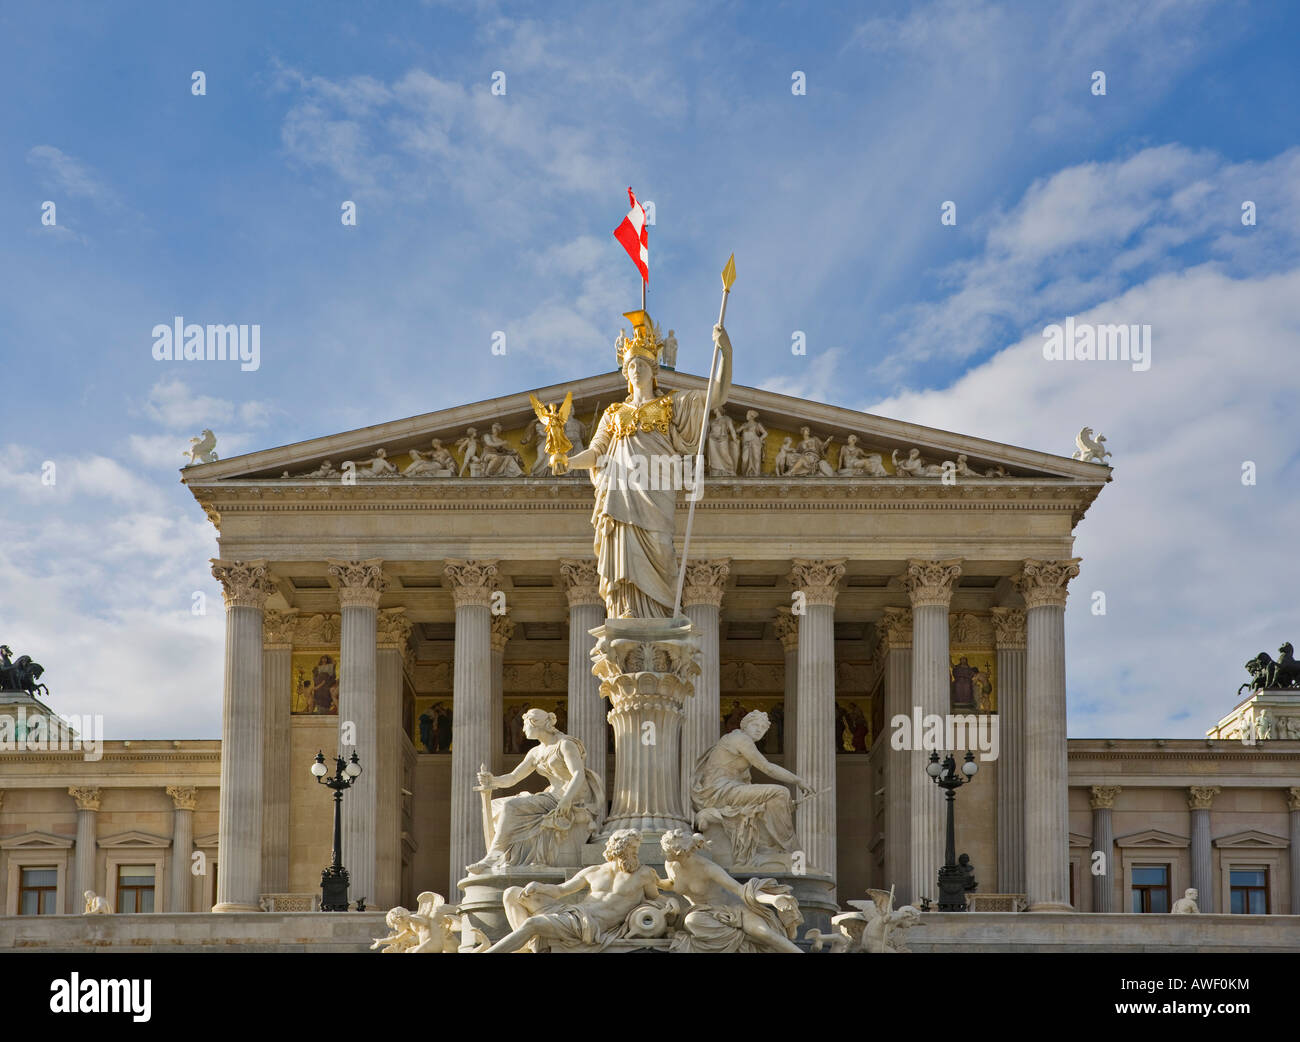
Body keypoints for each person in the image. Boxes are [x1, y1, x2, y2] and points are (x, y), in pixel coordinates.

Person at [551, 322, 732, 618]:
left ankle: (659, 619)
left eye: (642, 364)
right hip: (622, 493)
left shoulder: (671, 404)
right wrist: (568, 462)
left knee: (661, 548)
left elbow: (717, 396)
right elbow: (596, 453)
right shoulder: (614, 413)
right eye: (631, 365)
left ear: (653, 370)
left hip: (657, 488)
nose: (636, 369)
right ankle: (627, 613)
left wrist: (725, 350)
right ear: (625, 373)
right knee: (624, 554)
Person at [468, 708, 603, 873]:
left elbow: (578, 774)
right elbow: (513, 777)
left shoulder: (565, 744)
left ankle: (494, 856)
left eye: (525, 725)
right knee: (496, 805)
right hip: (552, 795)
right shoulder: (535, 752)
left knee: (511, 806)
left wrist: (566, 799)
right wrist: (492, 780)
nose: (523, 729)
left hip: (570, 796)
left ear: (536, 724)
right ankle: (506, 855)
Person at [486, 829, 661, 953]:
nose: (637, 852)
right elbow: (560, 891)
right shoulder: (594, 871)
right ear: (620, 848)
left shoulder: (644, 874)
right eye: (633, 848)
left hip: (589, 925)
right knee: (511, 893)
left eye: (637, 847)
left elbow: (657, 899)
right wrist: (539, 886)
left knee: (533, 924)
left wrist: (673, 903)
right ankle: (530, 946)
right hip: (573, 914)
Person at [691, 710, 812, 867]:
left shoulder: (740, 741)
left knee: (776, 798)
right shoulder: (740, 738)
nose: (759, 730)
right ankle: (788, 848)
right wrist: (798, 780)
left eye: (763, 728)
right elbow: (767, 768)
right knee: (780, 792)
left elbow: (748, 788)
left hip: (728, 789)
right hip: (720, 791)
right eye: (755, 725)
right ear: (744, 725)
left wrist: (784, 806)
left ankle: (772, 849)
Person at [657, 830, 803, 953]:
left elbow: (741, 890)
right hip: (701, 913)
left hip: (732, 910)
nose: (664, 854)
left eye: (667, 851)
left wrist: (772, 900)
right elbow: (673, 884)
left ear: (681, 853)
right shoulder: (670, 865)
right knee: (691, 921)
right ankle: (744, 936)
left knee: (764, 934)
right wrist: (655, 882)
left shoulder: (708, 868)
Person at [737, 410, 768, 476]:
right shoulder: (744, 424)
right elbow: (737, 431)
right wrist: (741, 428)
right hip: (746, 444)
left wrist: (760, 439)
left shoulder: (757, 424)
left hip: (755, 443)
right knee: (744, 460)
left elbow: (765, 433)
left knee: (756, 459)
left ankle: (756, 474)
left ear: (752, 416)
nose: (746, 416)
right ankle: (744, 475)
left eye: (747, 414)